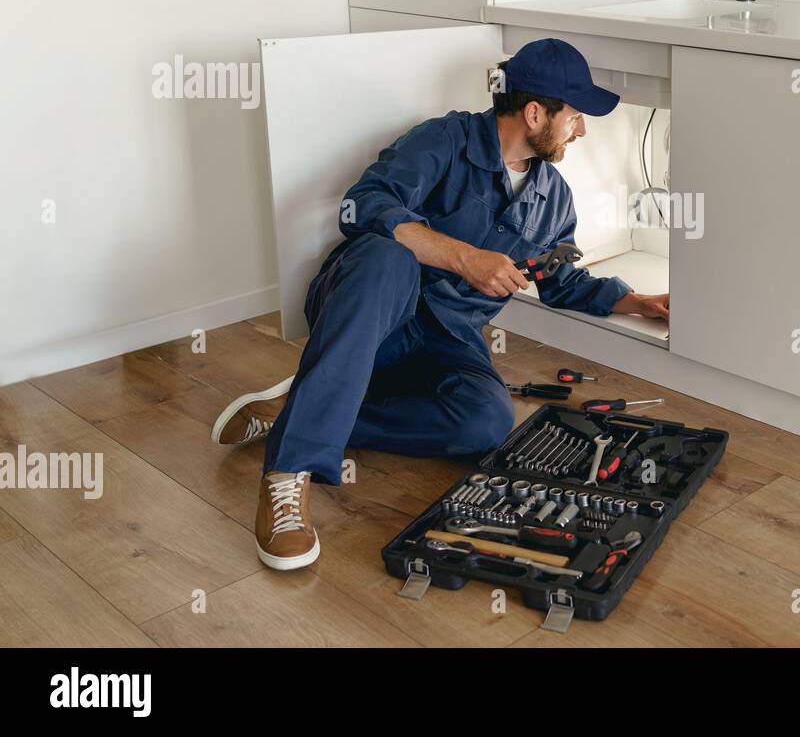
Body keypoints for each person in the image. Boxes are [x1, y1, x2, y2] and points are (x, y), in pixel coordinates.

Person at [211, 38, 669, 570]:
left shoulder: (554, 199)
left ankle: (303, 409)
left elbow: (559, 280)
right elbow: (364, 205)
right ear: (536, 112)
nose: (582, 130)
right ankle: (289, 472)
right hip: (370, 316)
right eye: (576, 116)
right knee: (389, 257)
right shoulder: (445, 140)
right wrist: (463, 257)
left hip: (445, 339)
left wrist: (640, 302)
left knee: (488, 423)